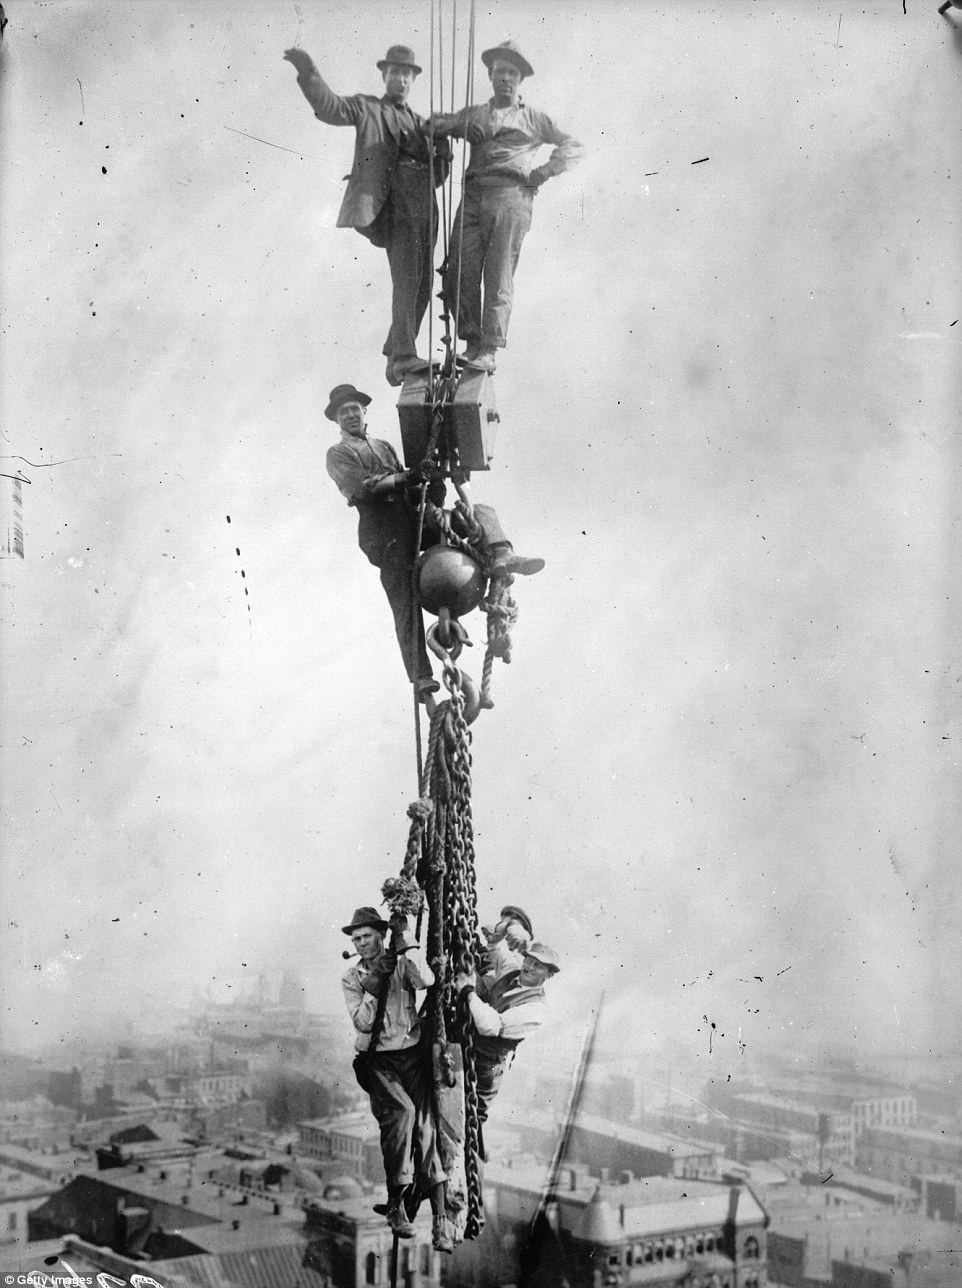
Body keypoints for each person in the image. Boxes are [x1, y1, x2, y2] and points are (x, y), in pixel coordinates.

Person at [323, 382, 544, 697]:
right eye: (343, 413)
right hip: (387, 535)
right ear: (336, 420)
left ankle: (501, 554)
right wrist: (405, 478)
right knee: (405, 603)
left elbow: (411, 488)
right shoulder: (339, 453)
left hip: (413, 522)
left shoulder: (383, 446)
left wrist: (431, 481)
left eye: (354, 409)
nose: (350, 415)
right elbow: (362, 488)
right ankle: (421, 676)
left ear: (364, 411)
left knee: (477, 512)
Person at [283, 44, 450, 387]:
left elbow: (439, 175)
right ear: (384, 75)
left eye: (407, 74)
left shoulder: (421, 123)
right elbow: (330, 107)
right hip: (397, 204)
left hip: (424, 206)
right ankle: (405, 355)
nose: (401, 79)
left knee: (423, 284)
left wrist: (444, 153)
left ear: (413, 80)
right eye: (395, 72)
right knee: (406, 278)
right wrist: (307, 69)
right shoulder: (368, 107)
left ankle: (395, 354)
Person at [431, 40, 583, 374]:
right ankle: (471, 340)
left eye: (512, 73)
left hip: (511, 196)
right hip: (472, 197)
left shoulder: (533, 118)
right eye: (500, 71)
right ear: (490, 74)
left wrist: (542, 172)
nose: (505, 78)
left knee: (498, 275)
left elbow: (573, 145)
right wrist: (447, 132)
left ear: (520, 79)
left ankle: (489, 349)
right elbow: (436, 125)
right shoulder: (475, 114)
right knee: (459, 269)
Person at [342, 905, 453, 1251]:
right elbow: (361, 1022)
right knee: (401, 1114)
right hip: (378, 1061)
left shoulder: (402, 961)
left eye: (366, 937)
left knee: (425, 1125)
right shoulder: (353, 977)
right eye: (356, 939)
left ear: (381, 935)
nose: (361, 944)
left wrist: (405, 945)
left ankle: (440, 1217)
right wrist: (375, 985)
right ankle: (396, 1203)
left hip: (411, 1055)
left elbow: (427, 981)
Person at [456, 940, 560, 1150]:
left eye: (538, 966)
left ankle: (474, 1157)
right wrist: (493, 938)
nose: (529, 967)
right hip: (466, 1050)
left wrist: (468, 991)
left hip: (486, 1068)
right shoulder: (512, 973)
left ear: (548, 975)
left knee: (472, 1120)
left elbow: (490, 1026)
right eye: (529, 960)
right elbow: (498, 952)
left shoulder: (536, 1010)